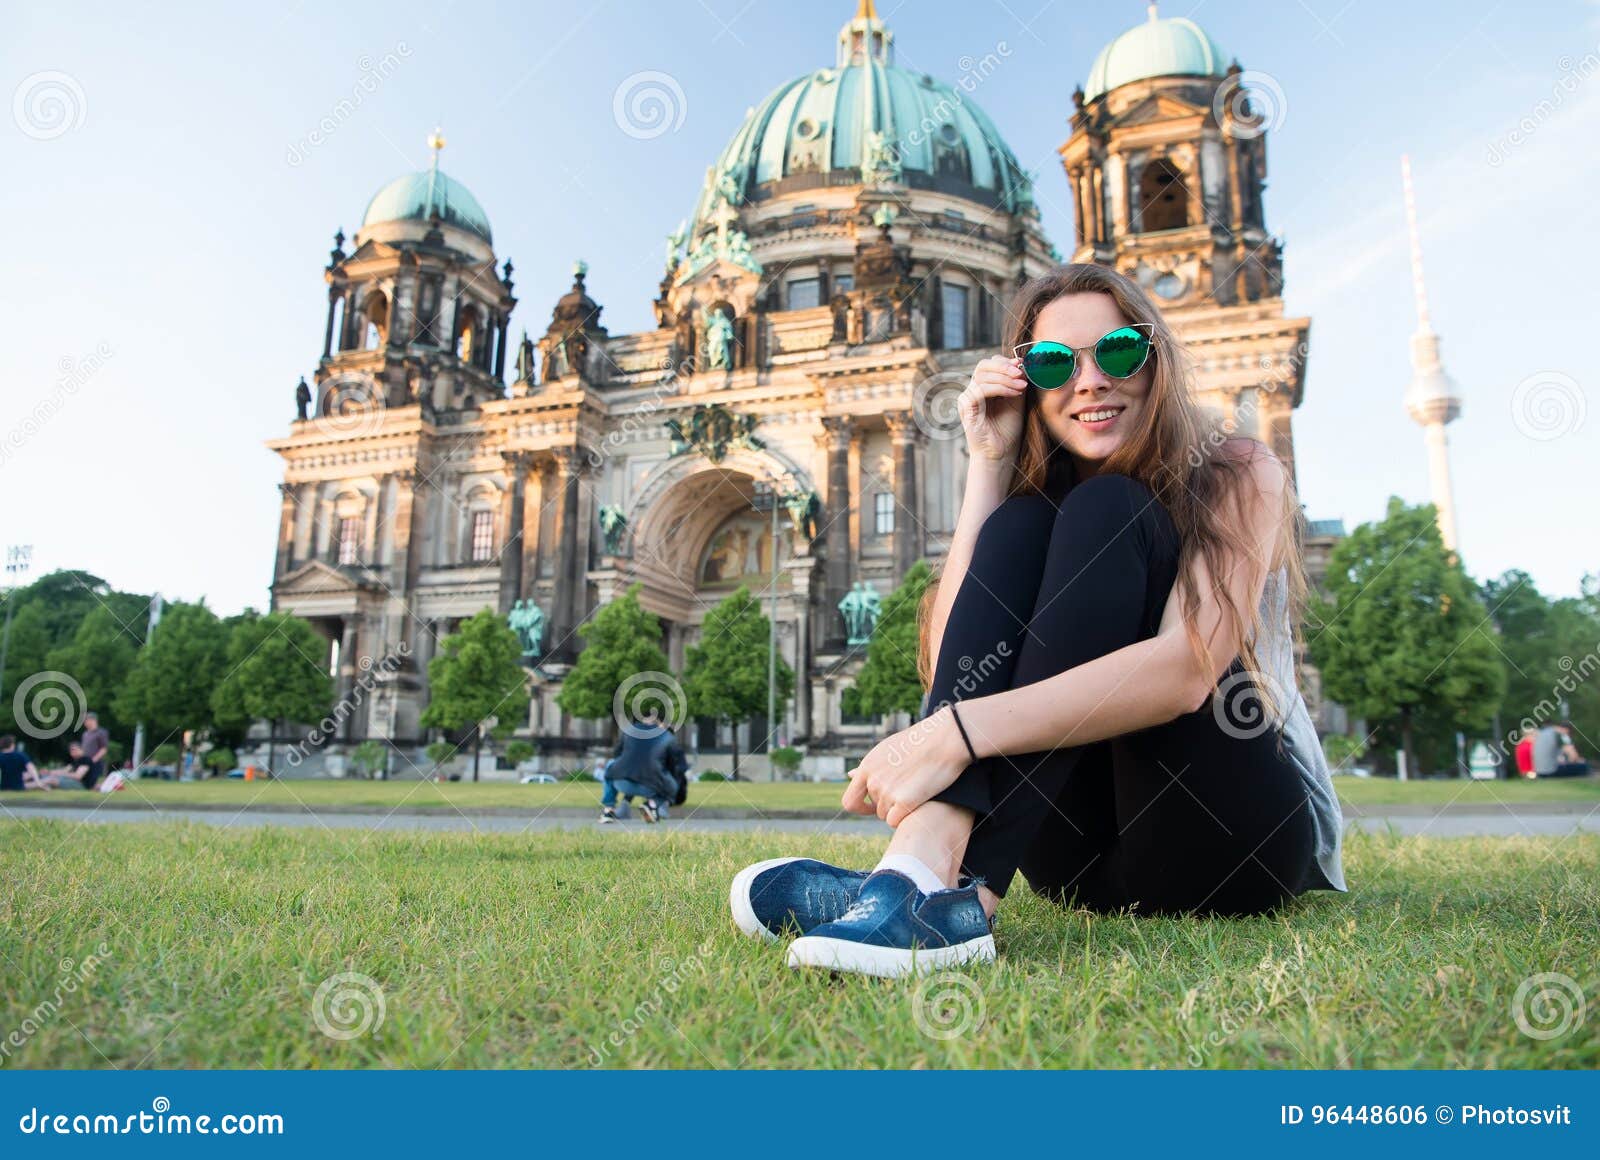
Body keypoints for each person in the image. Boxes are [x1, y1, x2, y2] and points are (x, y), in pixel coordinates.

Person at [729, 263, 1346, 977]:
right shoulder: (1029, 504)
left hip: (1226, 840)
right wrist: (988, 467)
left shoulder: (1236, 467)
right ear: (1031, 383)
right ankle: (925, 879)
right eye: (1055, 363)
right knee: (1025, 520)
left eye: (1117, 351)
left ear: (1155, 359)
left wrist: (953, 733)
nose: (1089, 381)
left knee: (1109, 509)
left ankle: (929, 886)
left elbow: (1186, 671)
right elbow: (943, 661)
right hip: (1071, 863)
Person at [600, 707, 687, 824]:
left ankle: (608, 809)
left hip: (621, 783)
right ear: (661, 722)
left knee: (612, 765)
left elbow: (617, 754)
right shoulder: (667, 737)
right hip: (652, 786)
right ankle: (652, 804)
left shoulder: (629, 731)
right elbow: (679, 766)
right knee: (672, 779)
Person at [75, 712, 110, 790]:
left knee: (93, 785)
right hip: (85, 762)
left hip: (95, 763)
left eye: (86, 720)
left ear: (93, 720)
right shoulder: (85, 734)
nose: (84, 723)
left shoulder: (101, 732)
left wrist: (94, 759)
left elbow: (104, 748)